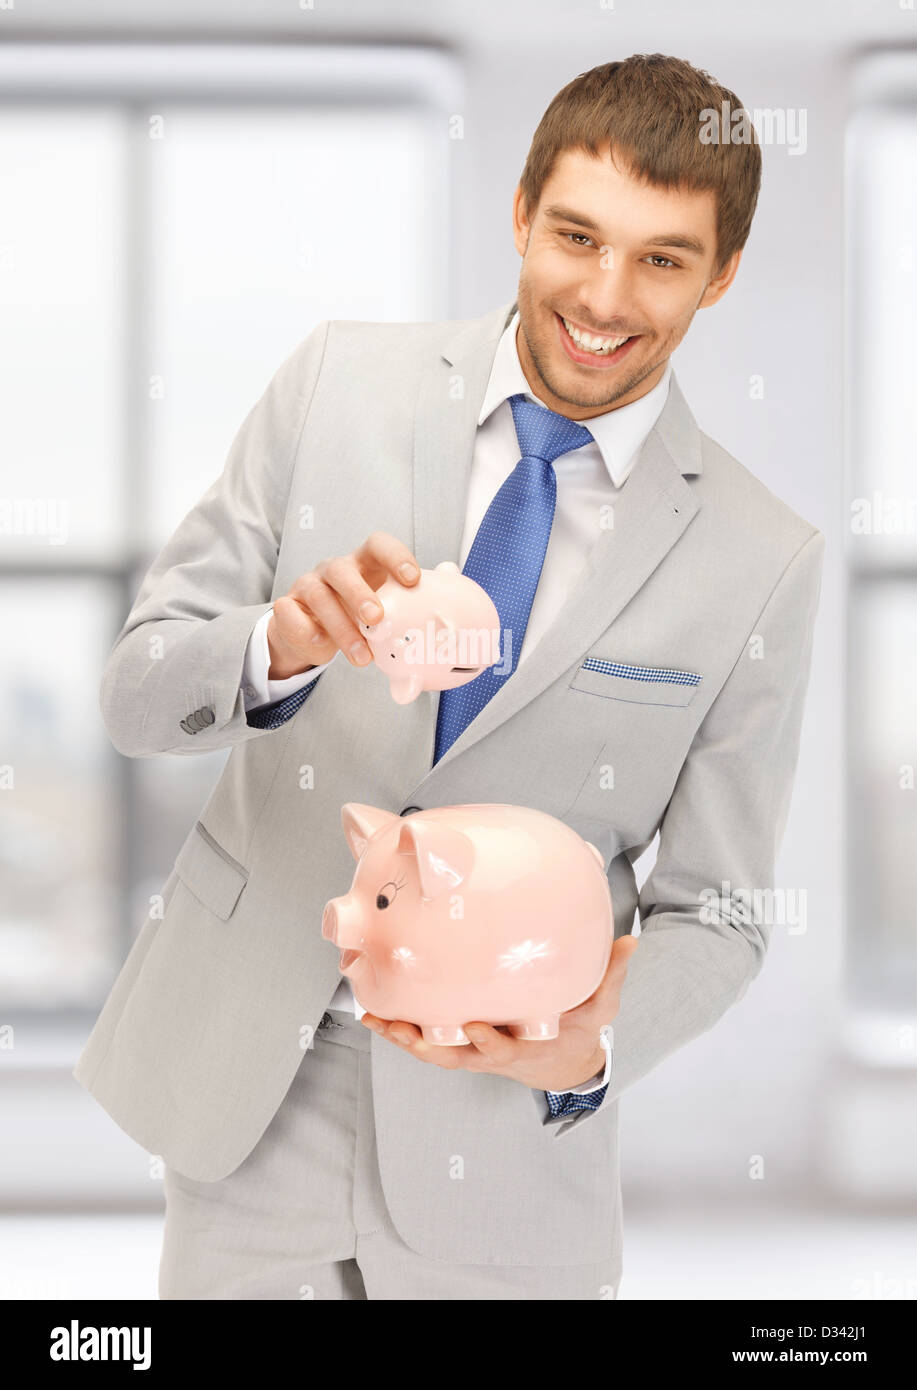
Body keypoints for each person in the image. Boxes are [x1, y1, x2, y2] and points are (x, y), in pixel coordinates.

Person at [73, 53, 825, 1300]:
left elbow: (721, 909)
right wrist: (279, 642)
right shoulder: (333, 386)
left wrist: (587, 1042)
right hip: (249, 1097)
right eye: (576, 235)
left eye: (661, 257)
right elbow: (137, 694)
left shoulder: (762, 558)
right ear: (520, 212)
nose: (601, 293)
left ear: (722, 273)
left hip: (507, 1152)